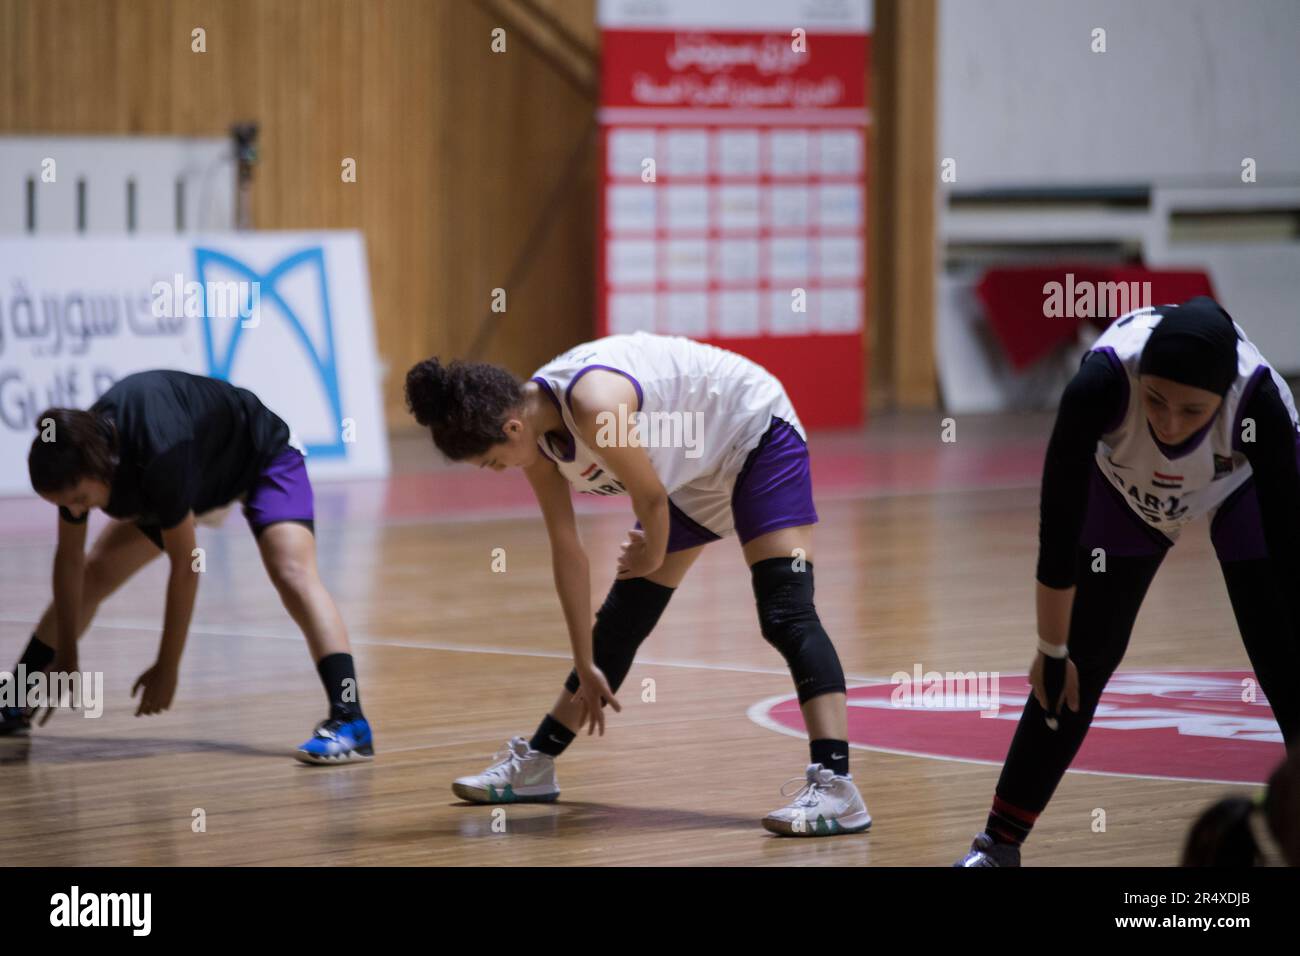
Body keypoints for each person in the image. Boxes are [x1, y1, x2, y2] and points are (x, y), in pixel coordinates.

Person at [405, 332, 869, 835]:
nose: (498, 472)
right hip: (697, 469)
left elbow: (649, 499)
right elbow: (569, 552)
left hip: (755, 431)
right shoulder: (534, 436)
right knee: (622, 620)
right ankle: (537, 763)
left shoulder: (592, 405)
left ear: (511, 428)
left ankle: (837, 787)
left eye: (494, 461)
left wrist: (651, 549)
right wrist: (584, 660)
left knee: (786, 613)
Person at [955, 296, 1300, 866]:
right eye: (1157, 401)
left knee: (1286, 659)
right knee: (1075, 668)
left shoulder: (1259, 403)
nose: (1169, 423)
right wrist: (1050, 646)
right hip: (1128, 491)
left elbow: (1290, 552)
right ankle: (997, 848)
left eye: (1192, 412)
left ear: (1223, 399)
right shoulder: (1099, 385)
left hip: (1236, 481)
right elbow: (1058, 531)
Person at [1, 370, 374, 764]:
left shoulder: (158, 450)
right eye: (66, 504)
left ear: (98, 467)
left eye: (78, 498)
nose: (75, 510)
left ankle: (350, 720)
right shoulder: (72, 451)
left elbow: (188, 565)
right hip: (191, 477)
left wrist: (168, 665)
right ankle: (15, 700)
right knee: (95, 574)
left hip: (259, 457)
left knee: (293, 574)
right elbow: (69, 560)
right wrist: (69, 655)